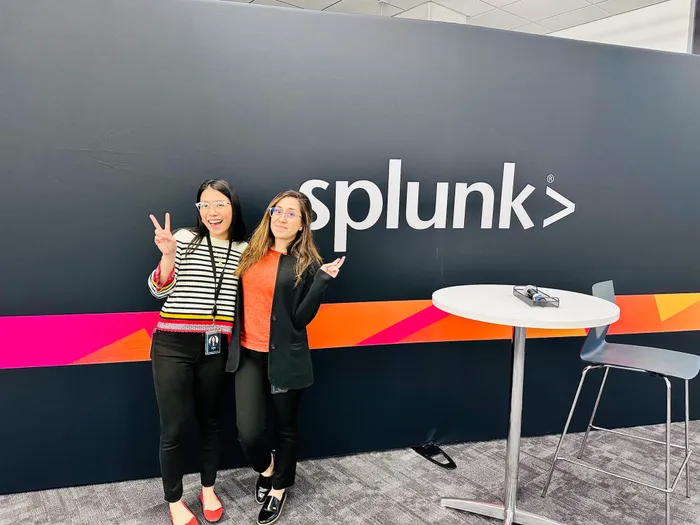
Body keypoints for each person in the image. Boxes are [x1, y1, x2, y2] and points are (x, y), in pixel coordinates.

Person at [228, 190, 345, 525]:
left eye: (291, 213)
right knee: (248, 432)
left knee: (286, 429)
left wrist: (321, 281)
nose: (281, 217)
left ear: (302, 224)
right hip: (248, 354)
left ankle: (279, 489)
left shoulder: (306, 264)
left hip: (285, 358)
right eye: (277, 210)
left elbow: (300, 319)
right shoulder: (249, 253)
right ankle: (267, 469)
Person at [148, 179, 247, 525]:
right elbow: (158, 290)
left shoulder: (245, 249)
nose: (211, 212)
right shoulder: (184, 239)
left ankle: (208, 489)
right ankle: (174, 500)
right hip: (172, 344)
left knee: (210, 422)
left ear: (232, 206)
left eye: (219, 204)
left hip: (214, 346)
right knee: (173, 427)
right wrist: (167, 255)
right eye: (204, 205)